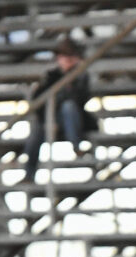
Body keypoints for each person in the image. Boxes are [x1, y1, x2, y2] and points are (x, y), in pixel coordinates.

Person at [23, 37, 94, 180]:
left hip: (74, 120)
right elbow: (38, 100)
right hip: (52, 119)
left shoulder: (80, 76)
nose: (67, 60)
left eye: (70, 56)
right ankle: (29, 174)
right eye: (64, 56)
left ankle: (76, 145)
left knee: (69, 107)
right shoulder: (51, 76)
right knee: (36, 134)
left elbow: (81, 99)